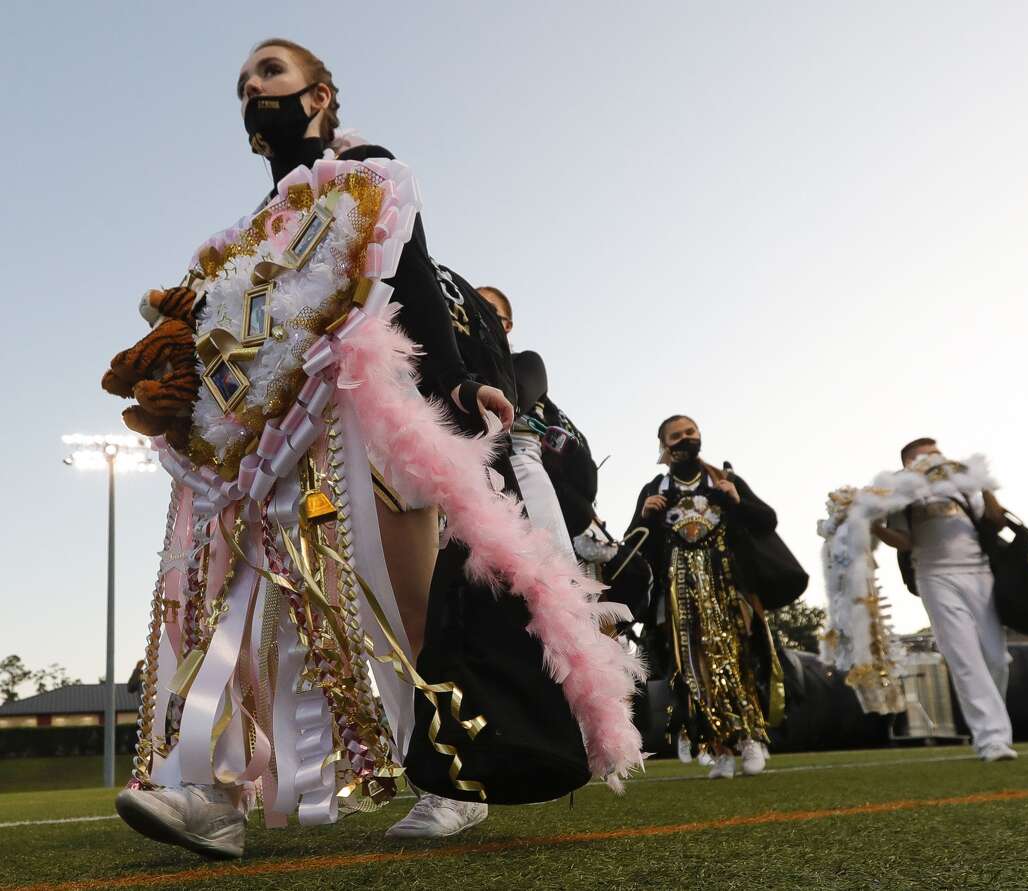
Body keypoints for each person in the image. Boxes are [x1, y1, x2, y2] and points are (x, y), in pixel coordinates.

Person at [110, 38, 641, 860]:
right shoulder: (247, 235)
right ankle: (213, 791)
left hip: (373, 418)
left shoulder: (370, 175)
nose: (253, 90)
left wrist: (462, 385)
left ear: (321, 95)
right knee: (242, 597)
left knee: (409, 601)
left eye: (271, 74)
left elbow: (415, 280)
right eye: (243, 83)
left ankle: (449, 777)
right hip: (271, 441)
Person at [627, 415, 784, 779]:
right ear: (664, 445)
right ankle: (720, 747)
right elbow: (633, 543)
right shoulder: (656, 485)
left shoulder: (722, 478)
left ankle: (751, 739)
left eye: (690, 433)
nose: (685, 439)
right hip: (680, 596)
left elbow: (767, 520)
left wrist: (736, 500)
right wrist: (645, 516)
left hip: (728, 587)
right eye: (676, 436)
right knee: (695, 668)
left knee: (736, 658)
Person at [873, 437, 1017, 762]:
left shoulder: (962, 486)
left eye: (938, 454)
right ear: (910, 464)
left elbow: (996, 521)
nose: (936, 460)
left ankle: (991, 726)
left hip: (981, 574)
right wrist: (873, 526)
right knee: (964, 656)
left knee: (996, 658)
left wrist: (983, 485)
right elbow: (904, 541)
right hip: (935, 576)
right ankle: (991, 739)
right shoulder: (904, 495)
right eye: (926, 457)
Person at [476, 286, 599, 561]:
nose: (478, 310)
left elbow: (507, 399)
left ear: (507, 326)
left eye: (489, 308)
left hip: (520, 478)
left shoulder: (526, 364)